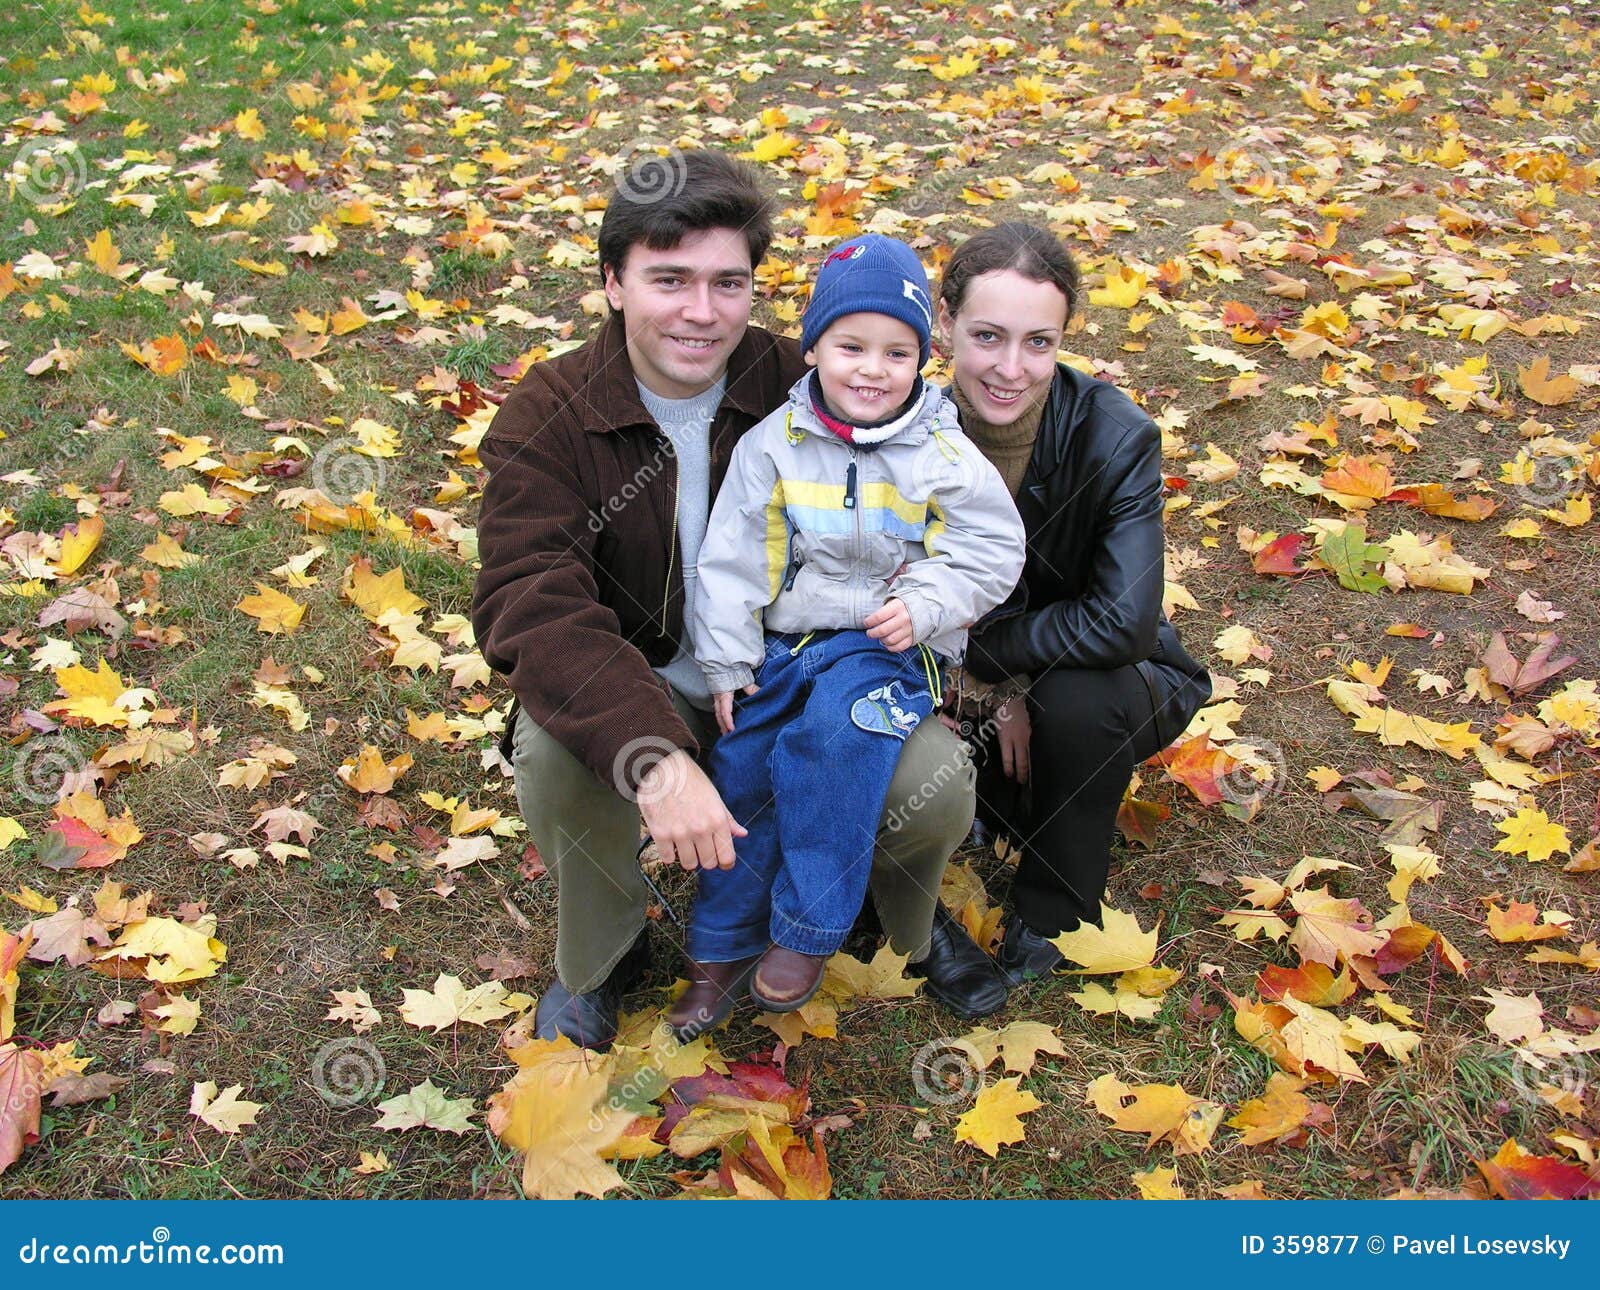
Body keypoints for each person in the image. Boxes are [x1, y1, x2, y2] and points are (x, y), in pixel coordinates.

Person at [471, 152, 1001, 1050]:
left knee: (935, 785)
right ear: (612, 283)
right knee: (560, 756)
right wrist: (660, 754)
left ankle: (890, 914)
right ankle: (603, 956)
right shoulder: (550, 412)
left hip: (803, 664)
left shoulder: (812, 379)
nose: (702, 311)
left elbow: (944, 473)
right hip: (648, 680)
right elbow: (530, 596)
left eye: (728, 282)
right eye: (668, 280)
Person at [668, 235, 1026, 1037]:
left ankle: (808, 928)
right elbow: (729, 562)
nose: (872, 368)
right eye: (851, 346)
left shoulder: (941, 452)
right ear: (814, 349)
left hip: (890, 646)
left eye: (897, 352)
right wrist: (726, 663)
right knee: (746, 761)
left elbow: (991, 549)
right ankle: (720, 949)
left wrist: (930, 603)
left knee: (838, 739)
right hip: (788, 645)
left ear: (923, 360)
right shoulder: (775, 446)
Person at [936, 222, 1213, 984]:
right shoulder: (906, 430)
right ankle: (991, 810)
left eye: (1038, 343)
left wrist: (1001, 670)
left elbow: (1122, 621)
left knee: (1078, 700)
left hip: (1117, 677)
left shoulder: (1114, 437)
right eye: (987, 336)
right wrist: (976, 687)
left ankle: (1057, 908)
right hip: (954, 676)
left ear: (1063, 340)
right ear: (945, 321)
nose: (1010, 368)